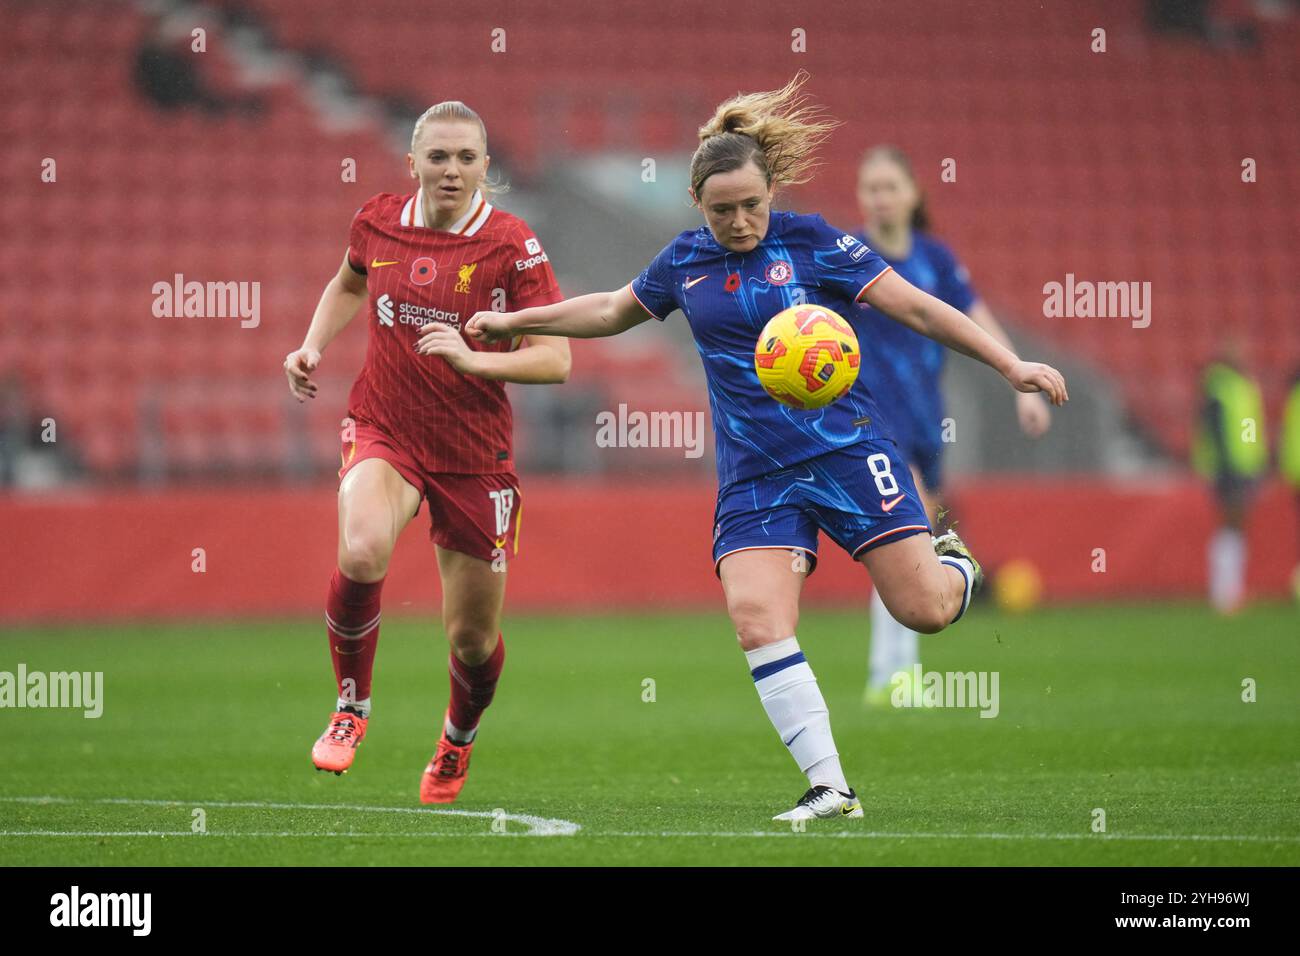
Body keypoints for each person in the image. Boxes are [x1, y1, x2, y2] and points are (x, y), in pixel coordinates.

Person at [458, 72, 1068, 821]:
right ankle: (830, 785)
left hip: (848, 451)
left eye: (750, 204)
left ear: (770, 189)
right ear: (697, 206)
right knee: (756, 620)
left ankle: (958, 566)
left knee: (925, 611)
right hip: (755, 475)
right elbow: (615, 310)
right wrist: (524, 320)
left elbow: (914, 306)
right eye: (722, 211)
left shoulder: (814, 241)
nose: (740, 221)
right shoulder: (685, 261)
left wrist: (1011, 365)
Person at [283, 100, 570, 803]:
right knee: (361, 550)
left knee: (472, 641)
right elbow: (351, 278)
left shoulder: (511, 244)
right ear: (411, 162)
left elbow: (556, 358)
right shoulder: (377, 220)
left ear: (485, 168)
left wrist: (477, 363)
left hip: (474, 454)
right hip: (386, 427)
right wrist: (313, 343)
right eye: (437, 157)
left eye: (466, 158)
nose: (451, 170)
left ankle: (456, 741)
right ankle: (352, 707)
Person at [851, 146, 1053, 707]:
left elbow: (974, 316)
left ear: (914, 194)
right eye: (870, 187)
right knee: (905, 532)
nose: (880, 197)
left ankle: (895, 672)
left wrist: (1020, 379)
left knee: (914, 537)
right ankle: (891, 673)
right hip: (870, 418)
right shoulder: (847, 255)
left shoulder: (934, 258)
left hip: (924, 415)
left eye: (890, 186)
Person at [1192, 347, 1267, 614]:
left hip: (1243, 467)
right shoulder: (1221, 388)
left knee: (1235, 526)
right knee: (1230, 524)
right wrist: (1227, 466)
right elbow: (1217, 430)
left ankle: (1229, 589)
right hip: (1231, 469)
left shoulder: (1239, 387)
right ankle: (1224, 591)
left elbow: (1248, 428)